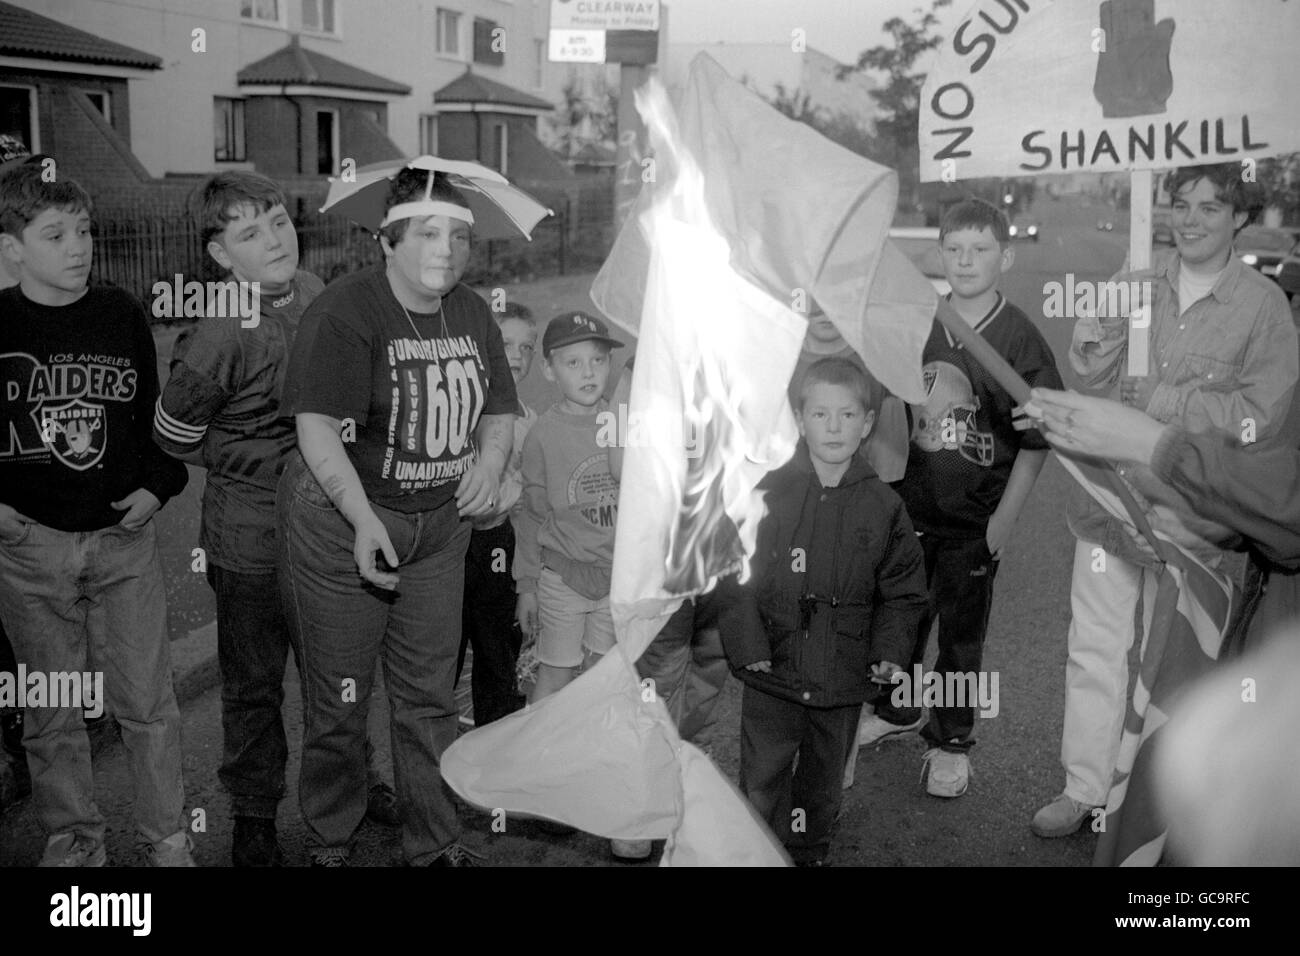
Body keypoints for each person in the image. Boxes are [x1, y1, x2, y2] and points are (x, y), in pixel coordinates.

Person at [1033, 164, 1299, 839]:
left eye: (1212, 207)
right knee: (1094, 646)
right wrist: (1103, 325)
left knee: (1173, 667)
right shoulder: (1139, 274)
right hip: (1110, 500)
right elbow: (1090, 369)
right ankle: (1084, 788)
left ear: (1240, 217)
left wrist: (1165, 406)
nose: (1192, 218)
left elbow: (1259, 419)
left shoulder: (1264, 307)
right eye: (1181, 204)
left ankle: (1155, 808)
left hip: (1196, 518)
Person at [152, 171, 396, 864]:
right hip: (250, 539)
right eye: (248, 232)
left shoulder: (319, 291)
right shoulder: (221, 328)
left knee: (342, 673)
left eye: (278, 222)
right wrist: (259, 460)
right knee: (255, 685)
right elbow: (170, 434)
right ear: (220, 255)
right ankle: (255, 814)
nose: (274, 240)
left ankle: (356, 783)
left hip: (326, 531)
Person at [278, 167, 517, 867]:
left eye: (461, 235)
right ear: (388, 239)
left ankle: (433, 839)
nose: (448, 248)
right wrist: (360, 518)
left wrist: (490, 462)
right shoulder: (346, 310)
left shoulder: (471, 312)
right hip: (341, 520)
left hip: (438, 531)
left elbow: (500, 408)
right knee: (339, 698)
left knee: (429, 697)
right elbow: (317, 426)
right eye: (429, 232)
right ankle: (330, 828)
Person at [0, 165, 193, 866]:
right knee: (51, 714)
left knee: (148, 704)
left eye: (82, 230)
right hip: (27, 550)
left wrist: (160, 485)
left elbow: (157, 418)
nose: (77, 246)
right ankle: (76, 843)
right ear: (13, 245)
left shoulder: (119, 314)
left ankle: (168, 840)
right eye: (54, 235)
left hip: (122, 543)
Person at [858, 199, 1062, 799]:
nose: (966, 260)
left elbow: (1037, 440)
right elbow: (890, 408)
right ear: (940, 253)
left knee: (960, 639)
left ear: (1004, 256)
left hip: (973, 522)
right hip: (908, 512)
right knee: (898, 622)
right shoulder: (922, 320)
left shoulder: (1019, 337)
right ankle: (899, 711)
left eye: (979, 249)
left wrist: (1003, 520)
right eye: (955, 249)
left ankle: (951, 740)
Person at [719, 357, 927, 865]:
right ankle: (758, 851)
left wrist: (888, 654)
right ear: (798, 419)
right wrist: (748, 646)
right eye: (820, 414)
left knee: (822, 784)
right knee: (763, 778)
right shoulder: (767, 493)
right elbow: (733, 572)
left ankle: (809, 852)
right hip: (774, 672)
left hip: (841, 678)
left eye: (847, 415)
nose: (834, 427)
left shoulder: (883, 506)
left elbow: (903, 592)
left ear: (868, 424)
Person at [513, 311, 651, 860]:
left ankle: (593, 773)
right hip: (563, 578)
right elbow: (530, 512)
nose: (588, 371)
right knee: (557, 676)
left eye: (598, 360)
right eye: (573, 362)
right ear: (549, 370)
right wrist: (526, 584)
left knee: (603, 678)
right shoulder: (544, 434)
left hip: (615, 579)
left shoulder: (621, 422)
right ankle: (544, 776)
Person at [1028, 386, 1300, 650]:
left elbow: (1281, 485)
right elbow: (1275, 491)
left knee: (1168, 642)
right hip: (1270, 627)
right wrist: (1215, 529)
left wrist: (1151, 442)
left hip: (1282, 662)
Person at [608, 353, 730, 753]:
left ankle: (692, 753)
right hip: (669, 545)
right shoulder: (640, 366)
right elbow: (619, 461)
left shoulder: (732, 355)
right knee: (664, 660)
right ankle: (658, 757)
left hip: (717, 541)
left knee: (709, 655)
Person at [456, 301, 538, 726]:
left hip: (497, 540)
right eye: (506, 344)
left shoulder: (530, 421)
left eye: (528, 347)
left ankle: (497, 734)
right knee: (446, 644)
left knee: (497, 644)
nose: (518, 356)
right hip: (452, 539)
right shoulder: (463, 409)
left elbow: (529, 496)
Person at [789, 302, 911, 483]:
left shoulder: (880, 359)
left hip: (859, 495)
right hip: (790, 492)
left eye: (832, 297)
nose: (823, 310)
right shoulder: (778, 357)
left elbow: (889, 470)